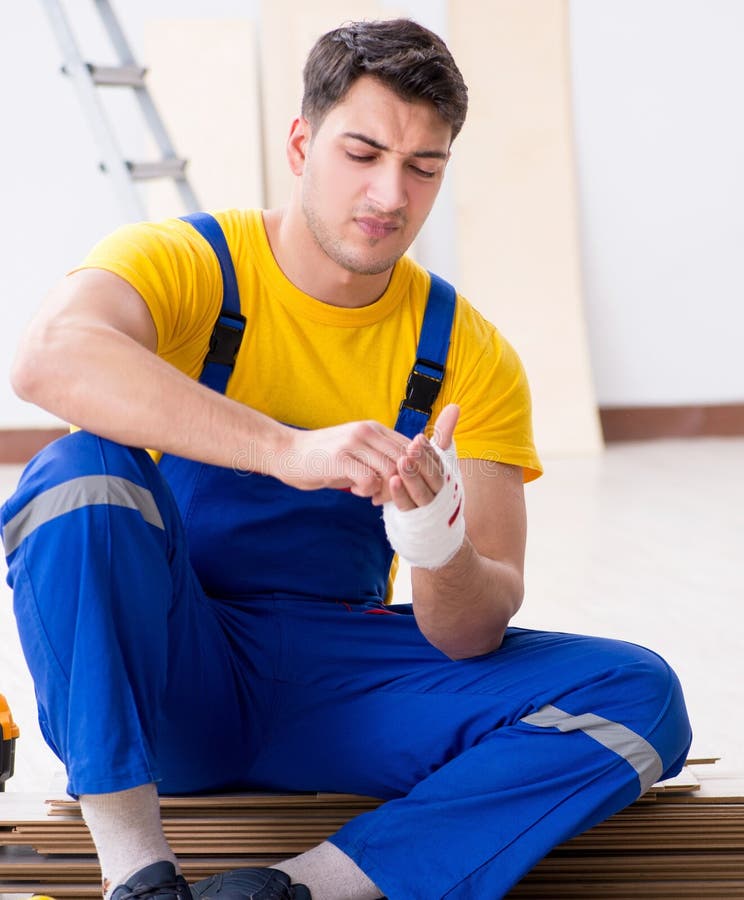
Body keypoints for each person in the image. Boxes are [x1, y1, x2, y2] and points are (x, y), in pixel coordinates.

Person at [1, 17, 691, 900]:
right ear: (301, 142)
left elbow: (472, 631)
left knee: (639, 693)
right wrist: (289, 450)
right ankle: (137, 873)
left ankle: (297, 890)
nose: (388, 193)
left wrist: (437, 545)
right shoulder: (192, 265)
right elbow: (46, 358)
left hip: (339, 687)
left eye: (422, 168)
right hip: (178, 672)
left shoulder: (466, 355)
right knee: (76, 475)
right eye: (361, 153)